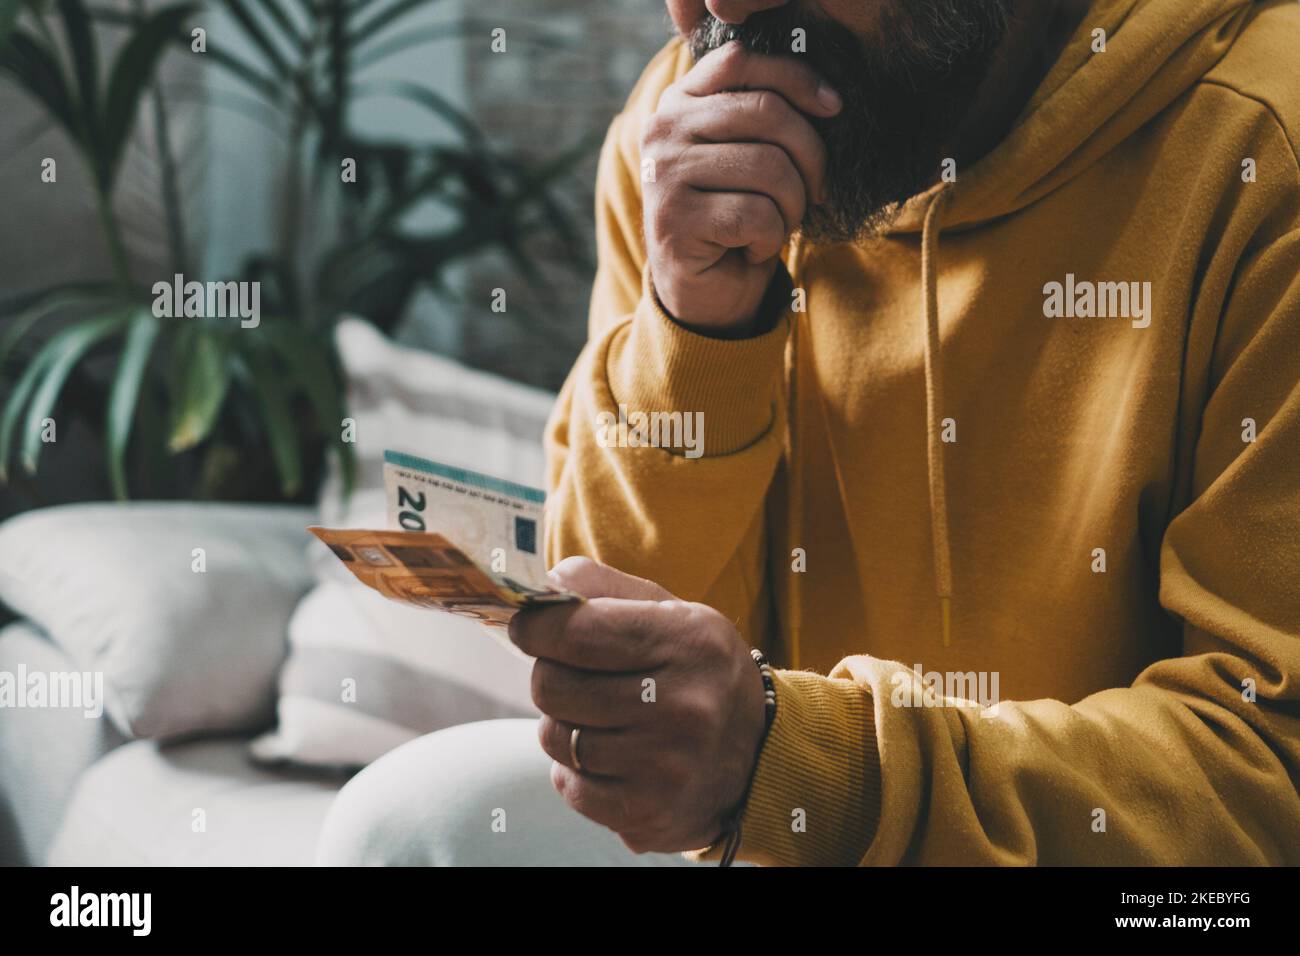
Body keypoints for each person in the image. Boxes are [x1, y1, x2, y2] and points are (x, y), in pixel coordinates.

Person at [319, 0, 1300, 866]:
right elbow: (627, 696)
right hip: (772, 836)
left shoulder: (1265, 148)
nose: (716, 8)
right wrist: (694, 331)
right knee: (412, 821)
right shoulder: (695, 137)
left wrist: (804, 768)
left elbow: (1270, 779)